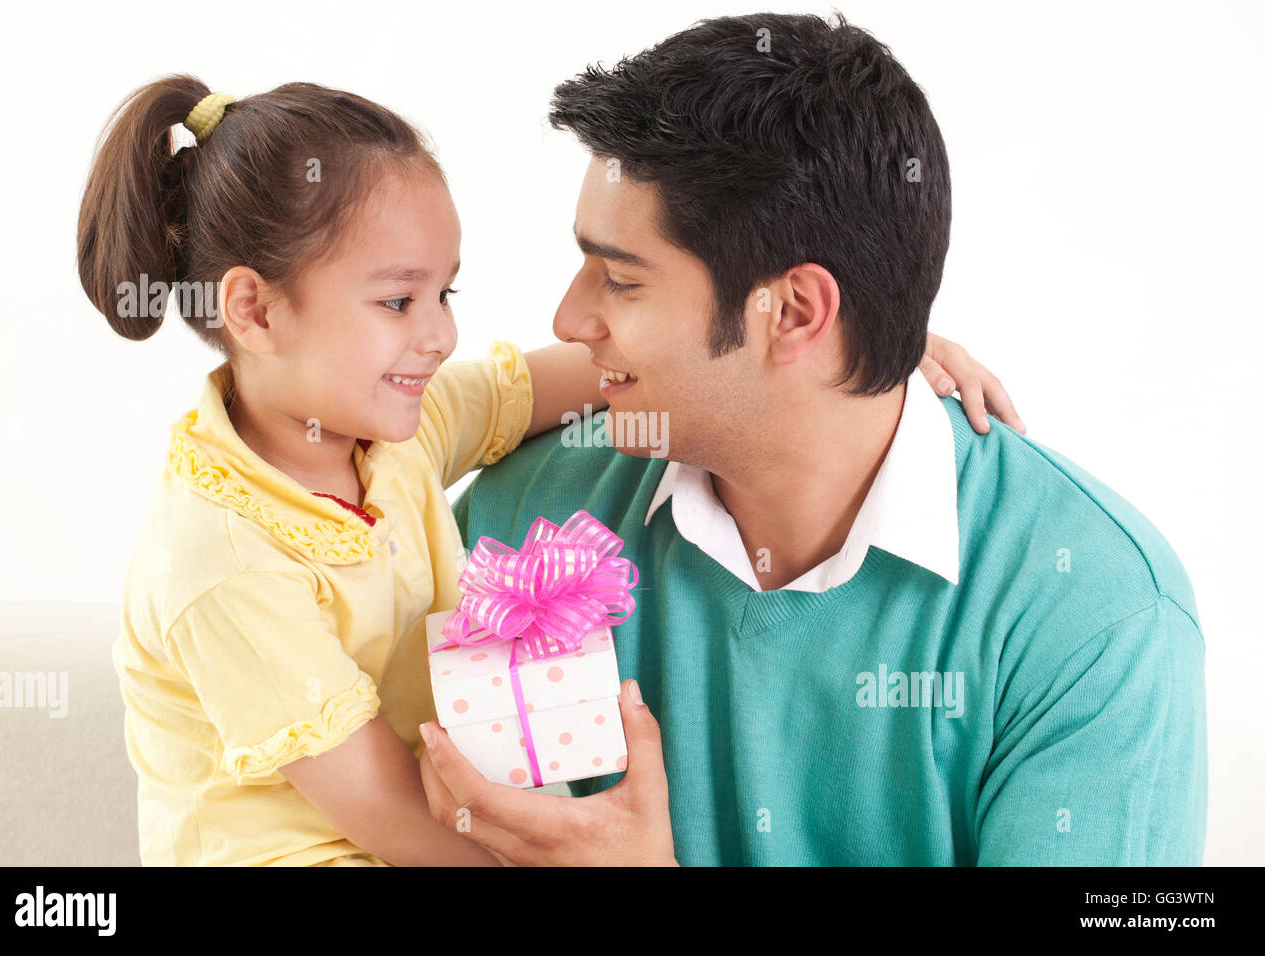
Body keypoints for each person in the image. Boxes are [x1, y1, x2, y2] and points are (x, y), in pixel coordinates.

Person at [78, 74, 1005, 865]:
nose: (439, 334)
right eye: (398, 300)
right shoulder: (222, 560)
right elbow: (392, 815)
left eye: (445, 293)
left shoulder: (394, 430)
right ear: (254, 310)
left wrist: (857, 338)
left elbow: (571, 381)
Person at [419, 13, 1208, 866]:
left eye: (620, 278)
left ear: (793, 312)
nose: (569, 320)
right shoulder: (526, 513)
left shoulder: (1098, 617)